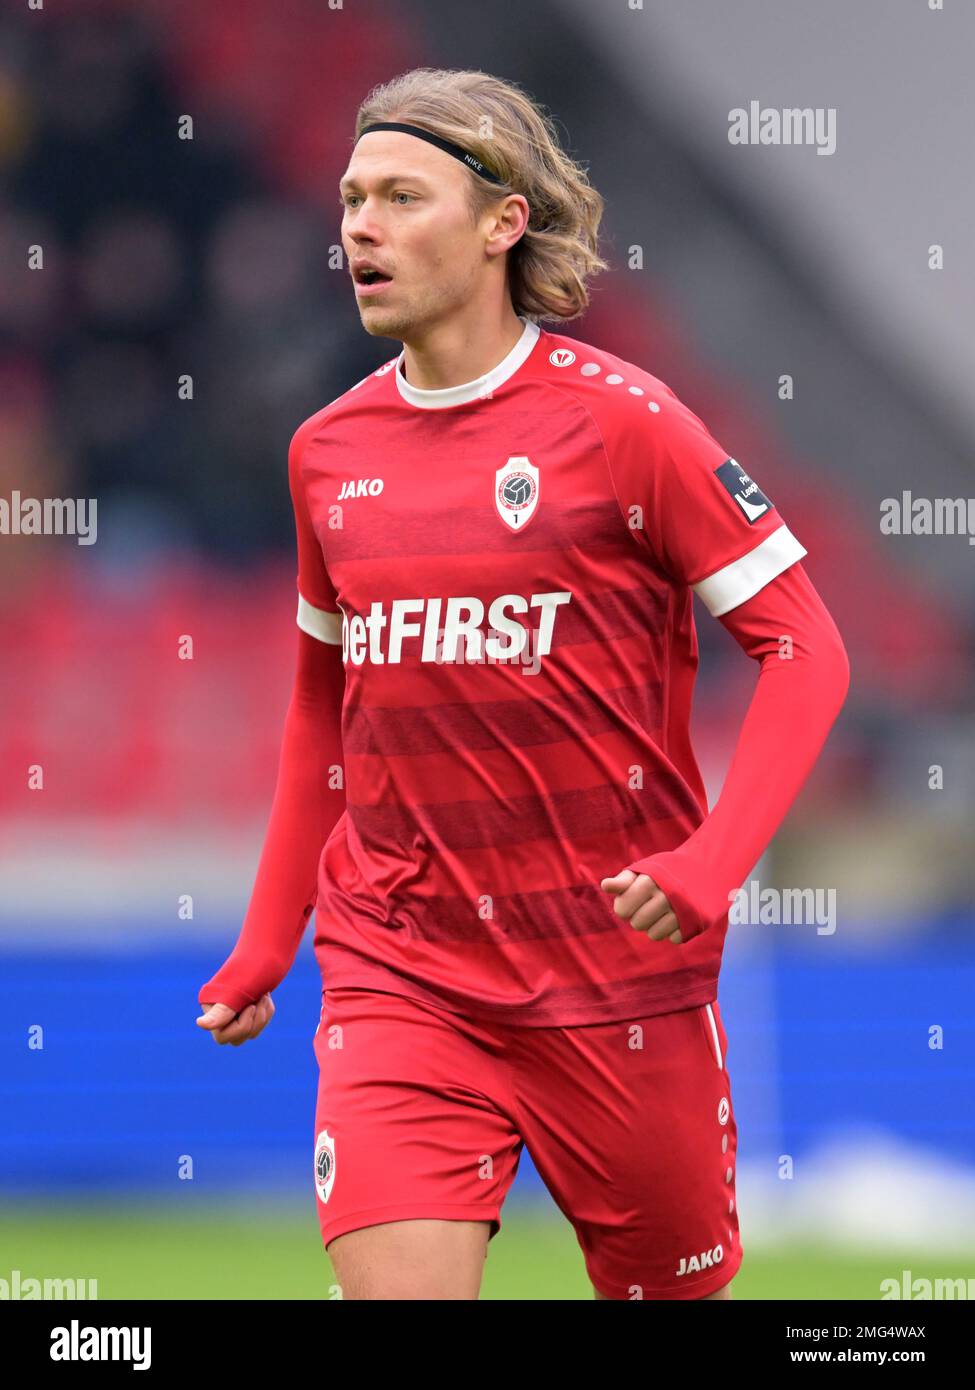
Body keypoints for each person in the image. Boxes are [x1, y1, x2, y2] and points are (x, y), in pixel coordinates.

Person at [197, 67, 850, 1301]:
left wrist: (709, 866)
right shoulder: (326, 451)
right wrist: (265, 938)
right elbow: (320, 713)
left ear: (503, 223)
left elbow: (808, 646)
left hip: (616, 978)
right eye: (350, 199)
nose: (360, 228)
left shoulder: (627, 426)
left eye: (401, 195)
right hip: (403, 963)